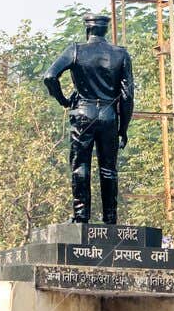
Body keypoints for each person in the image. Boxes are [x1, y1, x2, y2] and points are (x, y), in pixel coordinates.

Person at [42, 11, 135, 224]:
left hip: (83, 113)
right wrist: (123, 127)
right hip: (109, 116)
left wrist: (63, 100)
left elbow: (49, 76)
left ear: (88, 29)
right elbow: (127, 96)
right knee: (109, 169)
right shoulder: (121, 54)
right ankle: (110, 219)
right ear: (105, 29)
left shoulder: (75, 50)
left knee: (80, 165)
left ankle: (81, 216)